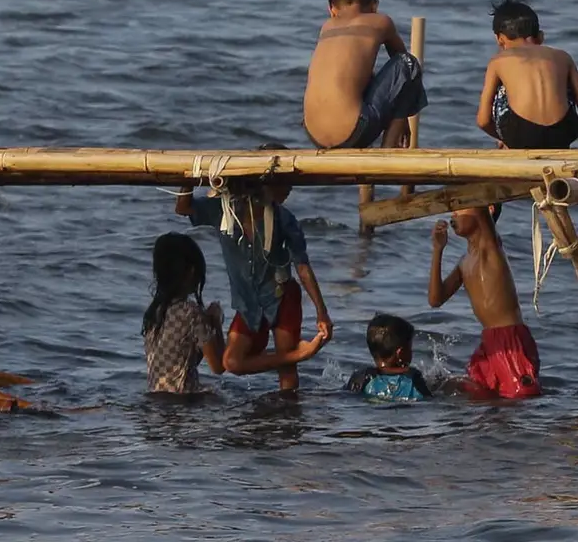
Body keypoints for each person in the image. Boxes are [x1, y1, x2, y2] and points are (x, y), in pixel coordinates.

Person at [175, 162, 333, 391]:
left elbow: (303, 268)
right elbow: (183, 208)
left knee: (286, 371)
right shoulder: (223, 210)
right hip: (248, 303)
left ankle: (289, 414)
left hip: (281, 296)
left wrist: (322, 312)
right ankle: (300, 354)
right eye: (284, 184)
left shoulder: (283, 218)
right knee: (232, 362)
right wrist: (189, 180)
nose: (289, 190)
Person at [303, 0, 426, 150]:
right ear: (374, 6)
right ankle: (389, 148)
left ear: (331, 9)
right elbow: (403, 68)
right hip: (353, 131)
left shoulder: (326, 27)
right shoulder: (380, 21)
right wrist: (403, 120)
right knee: (408, 62)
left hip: (315, 136)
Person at [428, 206, 540, 399]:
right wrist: (438, 249)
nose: (453, 214)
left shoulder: (491, 246)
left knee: (520, 397)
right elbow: (435, 300)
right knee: (479, 396)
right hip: (490, 341)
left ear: (488, 209)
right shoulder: (465, 262)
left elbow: (479, 202)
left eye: (460, 207)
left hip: (509, 340)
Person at [475, 0, 578, 150]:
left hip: (521, 134)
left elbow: (483, 120)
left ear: (499, 39)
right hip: (563, 132)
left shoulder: (498, 61)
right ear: (540, 36)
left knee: (502, 91)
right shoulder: (564, 56)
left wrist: (504, 138)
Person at [142, 231, 225, 395]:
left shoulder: (154, 312)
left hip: (156, 398)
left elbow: (184, 360)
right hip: (184, 401)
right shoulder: (192, 313)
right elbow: (219, 366)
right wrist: (216, 324)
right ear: (192, 272)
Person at [345, 313, 433, 401]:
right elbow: (429, 399)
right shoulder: (413, 378)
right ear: (400, 353)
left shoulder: (360, 377)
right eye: (410, 348)